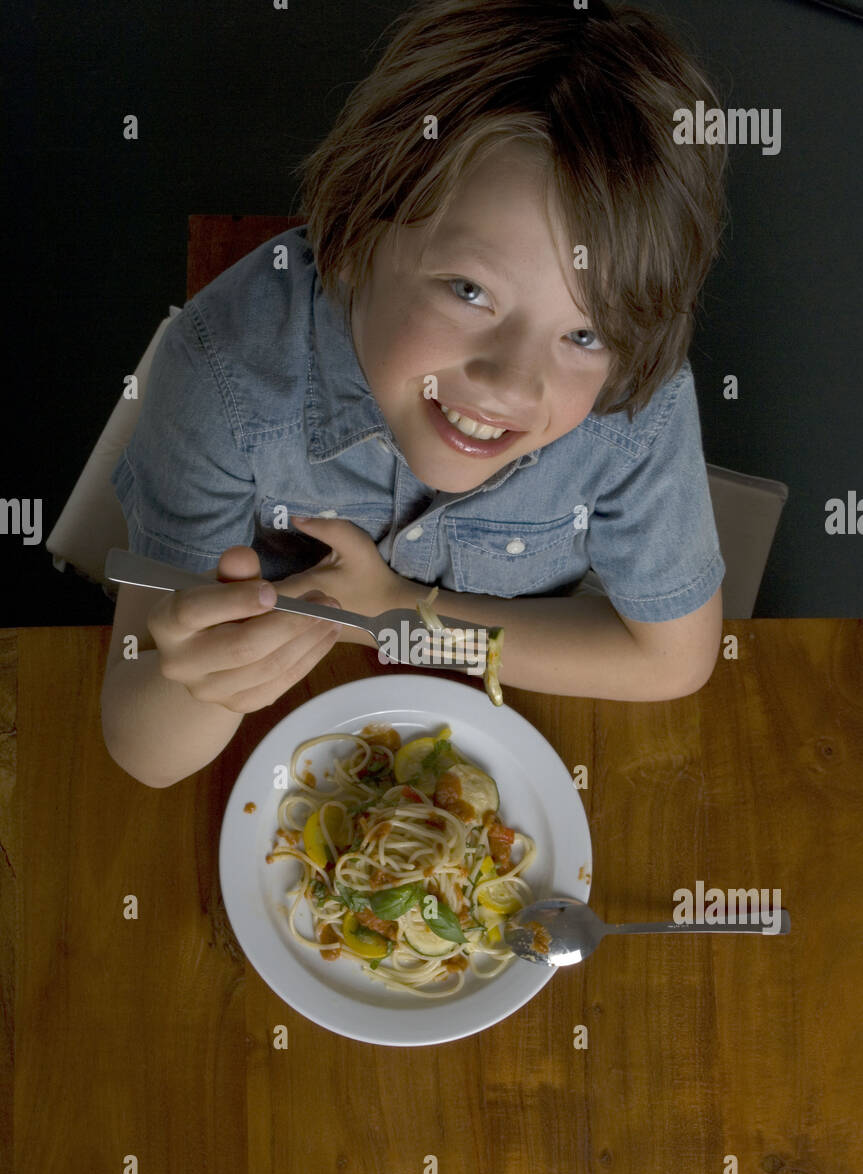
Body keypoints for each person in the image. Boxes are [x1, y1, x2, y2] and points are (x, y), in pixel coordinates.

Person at [102, 0, 727, 788]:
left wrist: (391, 614)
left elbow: (671, 661)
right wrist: (193, 677)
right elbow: (142, 749)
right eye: (469, 290)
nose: (511, 383)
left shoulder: (637, 393)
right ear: (360, 232)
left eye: (584, 334)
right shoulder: (225, 371)